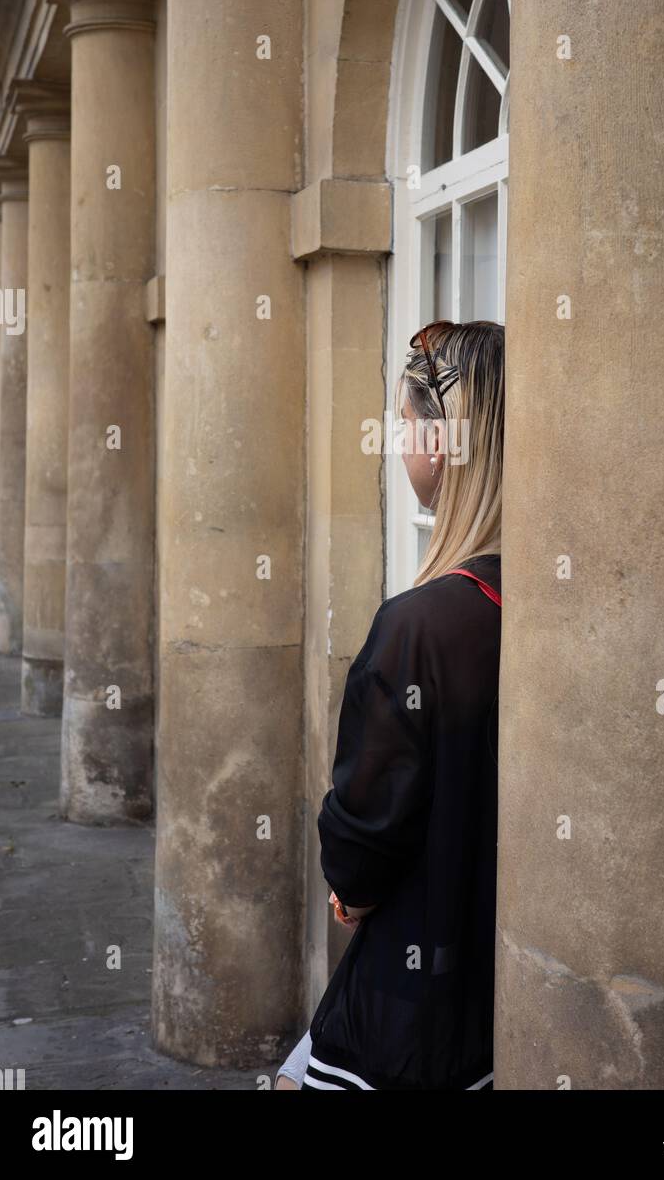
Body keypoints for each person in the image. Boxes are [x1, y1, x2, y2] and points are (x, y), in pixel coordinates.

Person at [274, 320, 504, 1091]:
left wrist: (351, 887)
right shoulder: (540, 607)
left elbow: (362, 839)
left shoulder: (419, 625)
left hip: (407, 1018)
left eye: (404, 422)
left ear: (440, 445)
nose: (399, 441)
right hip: (503, 1010)